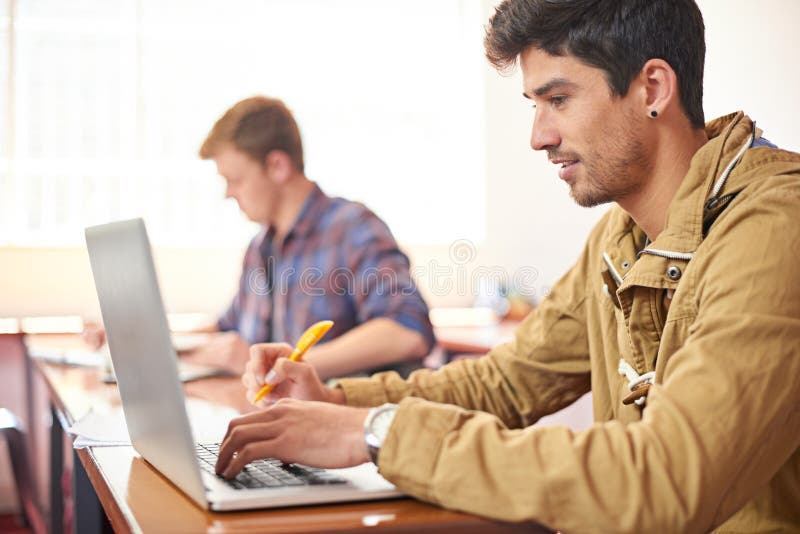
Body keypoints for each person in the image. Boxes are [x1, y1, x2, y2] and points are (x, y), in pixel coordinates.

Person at [214, 1, 800, 532]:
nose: (539, 137)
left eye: (558, 100)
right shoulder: (618, 238)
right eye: (535, 105)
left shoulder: (775, 227)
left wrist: (377, 433)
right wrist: (337, 403)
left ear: (652, 88)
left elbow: (664, 480)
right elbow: (506, 381)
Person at [86, 96, 435, 378]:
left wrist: (283, 366)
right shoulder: (260, 249)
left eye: (235, 180)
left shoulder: (352, 228)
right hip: (275, 417)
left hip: (337, 424)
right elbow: (224, 332)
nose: (228, 194)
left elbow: (407, 333)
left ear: (278, 166)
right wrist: (133, 339)